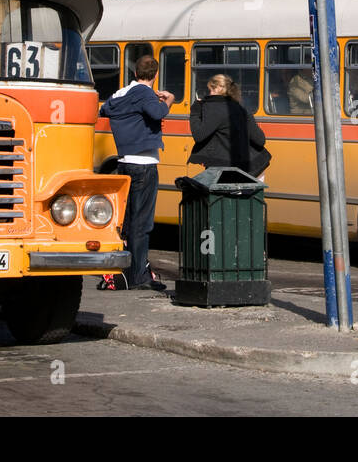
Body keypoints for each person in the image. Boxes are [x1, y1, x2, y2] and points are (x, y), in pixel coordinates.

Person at [99, 55, 174, 290]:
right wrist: (168, 100)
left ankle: (126, 269)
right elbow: (157, 114)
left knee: (128, 222)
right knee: (142, 223)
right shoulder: (144, 93)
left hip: (124, 162)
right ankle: (139, 275)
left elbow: (104, 110)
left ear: (134, 73)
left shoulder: (120, 94)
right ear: (155, 75)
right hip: (144, 163)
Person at [188, 74, 271, 177]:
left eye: (210, 90)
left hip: (224, 172)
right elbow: (260, 140)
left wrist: (195, 111)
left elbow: (199, 135)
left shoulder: (214, 107)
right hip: (254, 169)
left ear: (217, 88)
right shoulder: (242, 108)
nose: (209, 94)